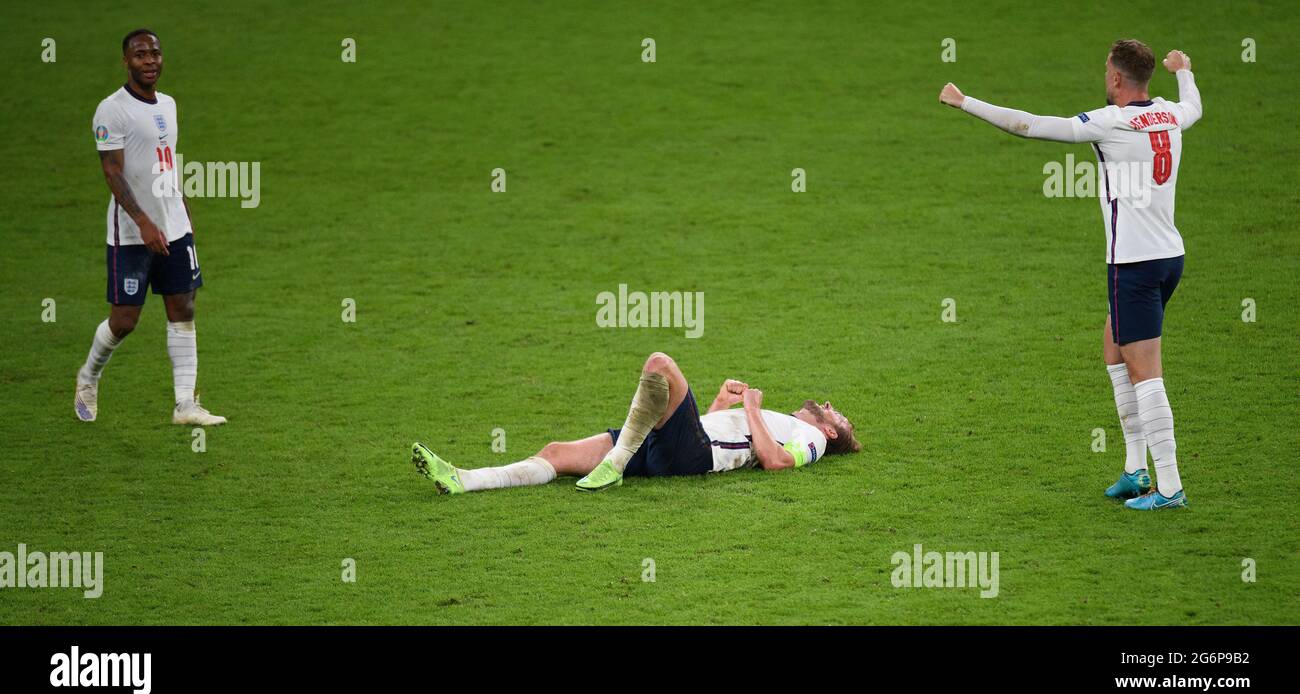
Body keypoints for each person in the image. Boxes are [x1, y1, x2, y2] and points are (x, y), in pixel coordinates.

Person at [939, 40, 1201, 510]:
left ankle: (1169, 487)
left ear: (1117, 79)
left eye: (1106, 70)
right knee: (1113, 348)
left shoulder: (1111, 122)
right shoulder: (1168, 113)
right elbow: (1193, 106)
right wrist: (1184, 70)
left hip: (1134, 266)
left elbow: (1030, 125)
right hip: (1168, 257)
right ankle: (1135, 468)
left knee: (1147, 374)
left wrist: (965, 102)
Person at [411, 352, 860, 494]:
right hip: (681, 443)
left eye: (837, 414)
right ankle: (461, 479)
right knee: (557, 453)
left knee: (660, 364)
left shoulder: (809, 439)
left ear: (831, 431)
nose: (827, 404)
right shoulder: (785, 421)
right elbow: (722, 431)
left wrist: (753, 410)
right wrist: (726, 402)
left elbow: (777, 463)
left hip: (693, 455)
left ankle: (618, 461)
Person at [76, 29, 225, 426]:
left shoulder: (169, 105)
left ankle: (185, 406)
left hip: (173, 226)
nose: (150, 60)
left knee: (183, 307)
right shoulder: (112, 110)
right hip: (131, 233)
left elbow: (168, 163)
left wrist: (184, 214)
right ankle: (89, 376)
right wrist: (143, 222)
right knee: (125, 320)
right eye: (141, 54)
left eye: (156, 53)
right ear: (126, 61)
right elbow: (112, 171)